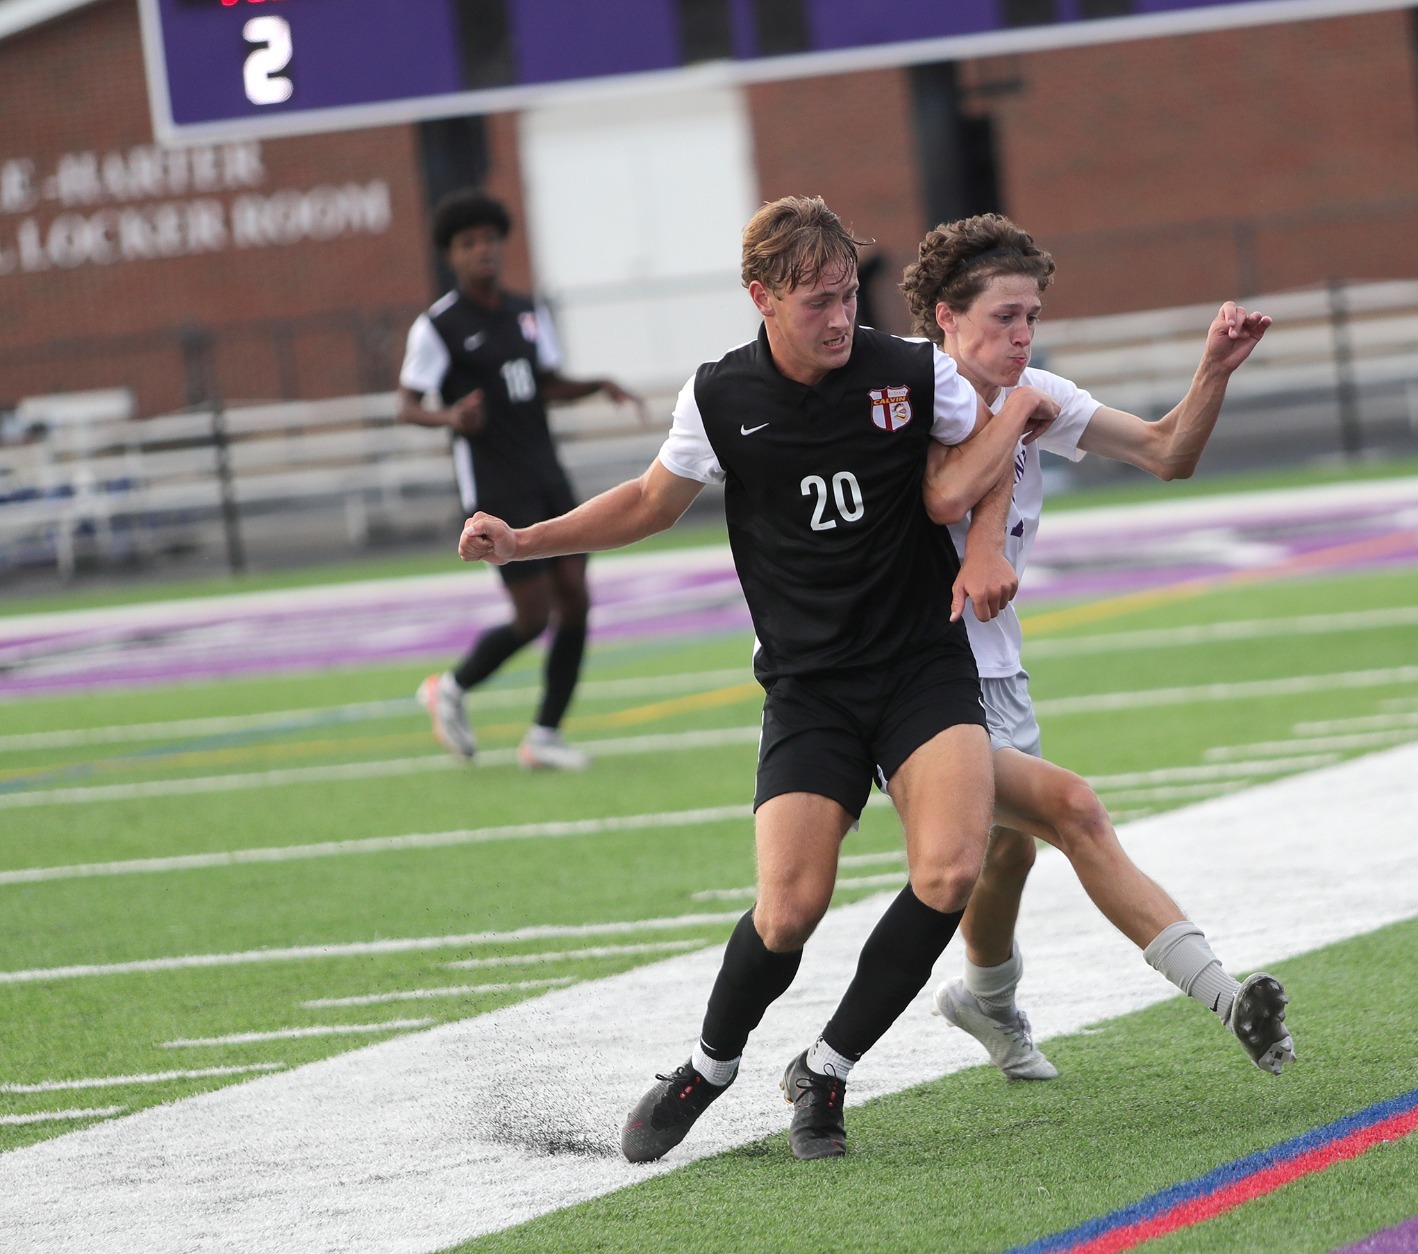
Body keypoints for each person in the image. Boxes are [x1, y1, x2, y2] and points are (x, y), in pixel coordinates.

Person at [456, 197, 1053, 1162]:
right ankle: (708, 1064)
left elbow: (988, 458)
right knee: (788, 908)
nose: (839, 318)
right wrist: (526, 540)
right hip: (810, 685)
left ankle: (827, 1070)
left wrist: (985, 543)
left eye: (848, 294)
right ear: (760, 298)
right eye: (817, 300)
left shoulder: (910, 370)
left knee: (949, 868)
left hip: (919, 665)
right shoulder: (720, 396)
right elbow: (653, 502)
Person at [900, 214, 1295, 1080]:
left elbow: (1166, 452)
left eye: (1032, 316)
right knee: (1074, 809)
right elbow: (945, 493)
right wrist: (1005, 462)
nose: (1022, 335)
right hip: (911, 682)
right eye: (1004, 316)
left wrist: (1212, 373)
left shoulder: (1037, 389)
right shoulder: (911, 391)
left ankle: (985, 1001)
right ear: (944, 316)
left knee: (1009, 850)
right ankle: (1228, 997)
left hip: (997, 672)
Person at [400, 189, 642, 772]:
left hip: (544, 471)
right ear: (450, 255)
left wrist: (597, 385)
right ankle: (450, 688)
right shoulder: (438, 326)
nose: (482, 250)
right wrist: (449, 417)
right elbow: (408, 403)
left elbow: (544, 383)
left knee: (577, 601)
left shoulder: (526, 312)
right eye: (467, 243)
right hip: (493, 480)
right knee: (533, 614)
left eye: (489, 239)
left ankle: (545, 735)